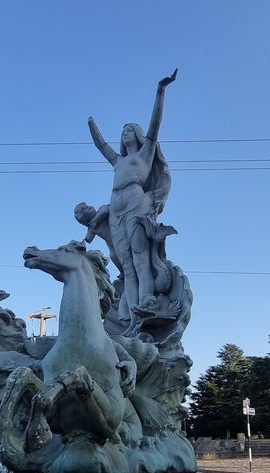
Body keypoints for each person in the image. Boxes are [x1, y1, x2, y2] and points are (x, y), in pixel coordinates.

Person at [87, 69, 176, 332]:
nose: (124, 133)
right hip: (117, 208)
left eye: (129, 130)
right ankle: (128, 311)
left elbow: (155, 125)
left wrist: (160, 91)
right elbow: (101, 145)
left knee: (140, 257)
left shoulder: (146, 152)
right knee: (126, 264)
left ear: (137, 135)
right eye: (122, 131)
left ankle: (145, 301)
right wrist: (91, 123)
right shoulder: (118, 161)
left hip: (137, 203)